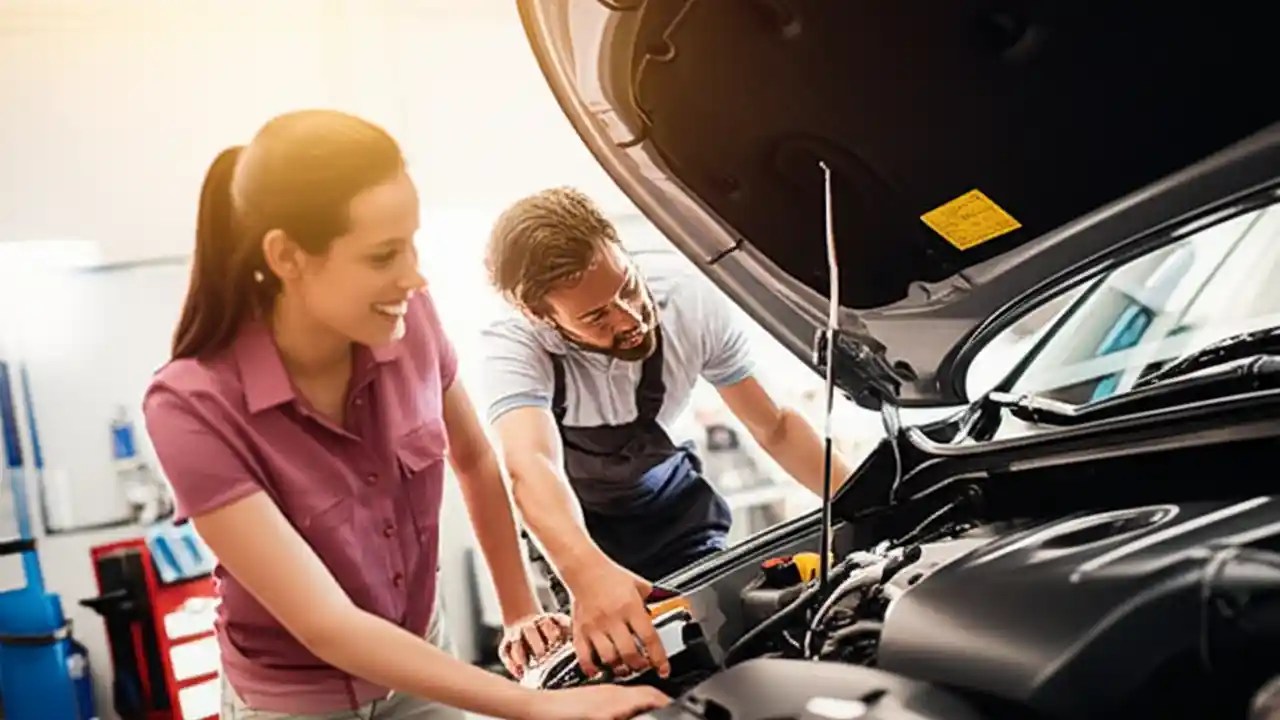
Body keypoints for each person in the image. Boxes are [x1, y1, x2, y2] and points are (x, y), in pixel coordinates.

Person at [141, 111, 669, 720]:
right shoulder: (190, 408)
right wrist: (534, 707)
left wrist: (519, 609)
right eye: (383, 255)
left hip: (422, 659)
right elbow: (327, 625)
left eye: (412, 243)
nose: (413, 275)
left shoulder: (410, 316)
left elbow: (474, 458)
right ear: (286, 256)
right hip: (294, 702)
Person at [480, 187, 856, 680]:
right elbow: (530, 466)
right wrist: (587, 577)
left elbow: (776, 426)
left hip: (674, 511)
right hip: (579, 535)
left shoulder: (686, 298)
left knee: (729, 646)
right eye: (596, 316)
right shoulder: (514, 348)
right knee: (624, 676)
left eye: (628, 286)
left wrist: (862, 499)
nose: (631, 317)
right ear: (540, 316)